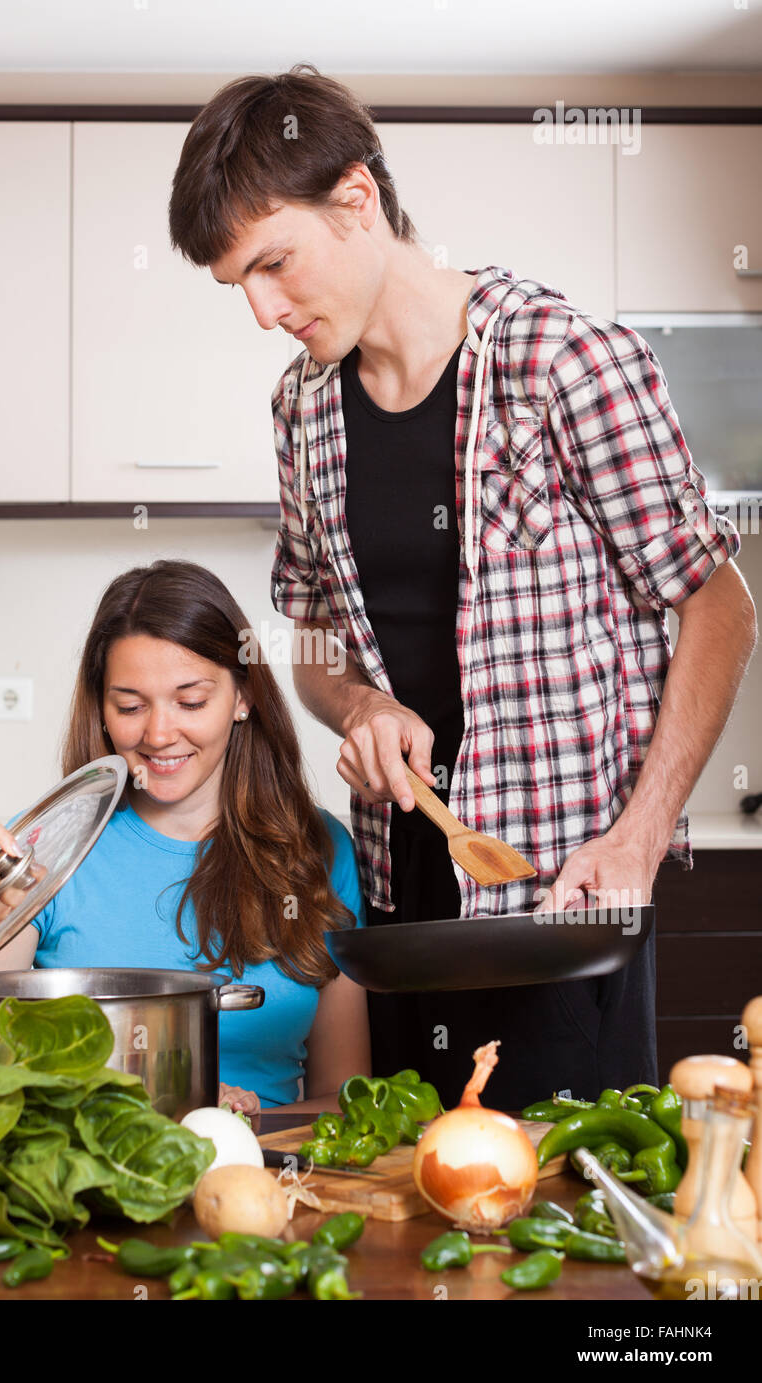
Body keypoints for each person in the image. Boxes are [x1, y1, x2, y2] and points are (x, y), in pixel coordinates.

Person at [168, 64, 758, 1108]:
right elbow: (307, 640)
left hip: (564, 909)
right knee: (404, 1215)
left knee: (566, 1232)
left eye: (274, 266)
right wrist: (358, 703)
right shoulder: (303, 408)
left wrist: (636, 836)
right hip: (406, 915)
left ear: (357, 200)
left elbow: (716, 601)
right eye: (237, 288)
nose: (262, 311)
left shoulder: (563, 362)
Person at [0, 560, 370, 1112]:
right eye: (130, 706)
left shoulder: (320, 850)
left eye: (190, 702)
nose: (159, 734)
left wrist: (237, 1124)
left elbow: (343, 1096)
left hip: (266, 1178)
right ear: (102, 708)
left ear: (243, 697)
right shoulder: (44, 853)